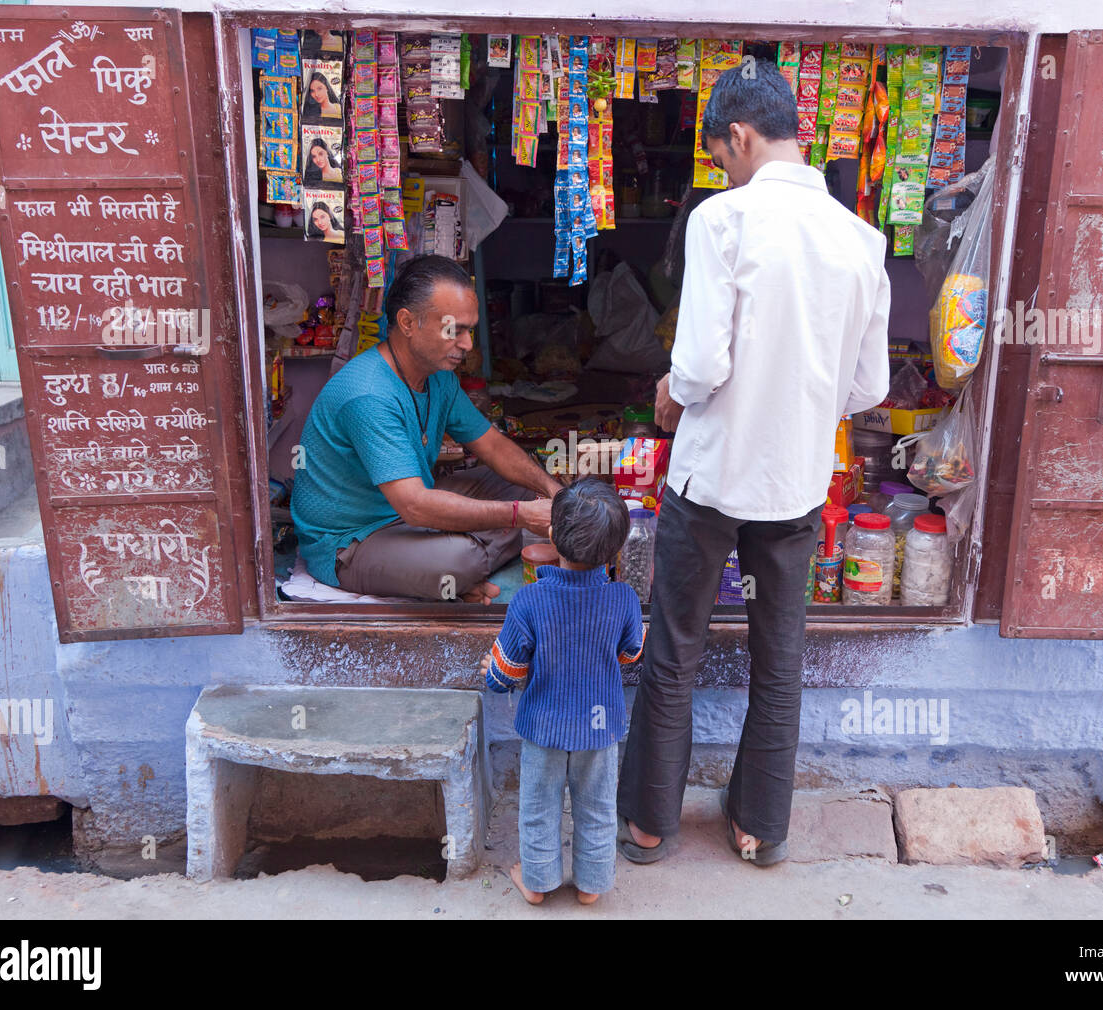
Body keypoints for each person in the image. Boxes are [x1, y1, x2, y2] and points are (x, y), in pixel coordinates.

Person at [615, 60, 890, 866]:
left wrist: (670, 386)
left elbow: (699, 365)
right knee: (779, 654)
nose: (723, 171)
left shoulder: (722, 221)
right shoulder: (860, 238)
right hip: (795, 489)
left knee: (676, 647)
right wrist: (798, 398)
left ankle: (649, 824)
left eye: (720, 156)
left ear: (737, 136)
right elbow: (869, 384)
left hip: (710, 486)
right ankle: (760, 828)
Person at [290, 255, 561, 603]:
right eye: (454, 330)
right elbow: (415, 506)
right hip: (352, 542)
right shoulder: (368, 393)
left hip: (408, 516)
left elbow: (492, 446)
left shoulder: (439, 378)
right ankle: (453, 573)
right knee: (461, 560)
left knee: (522, 485)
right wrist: (519, 517)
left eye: (470, 330)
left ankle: (442, 574)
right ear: (407, 322)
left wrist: (554, 492)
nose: (467, 344)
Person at [481, 479, 646, 904]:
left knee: (539, 807)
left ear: (551, 535)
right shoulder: (624, 599)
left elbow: (503, 676)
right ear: (616, 549)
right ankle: (592, 886)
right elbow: (630, 656)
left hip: (544, 727)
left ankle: (537, 883)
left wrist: (492, 669)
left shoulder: (529, 601)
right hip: (600, 727)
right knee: (596, 807)